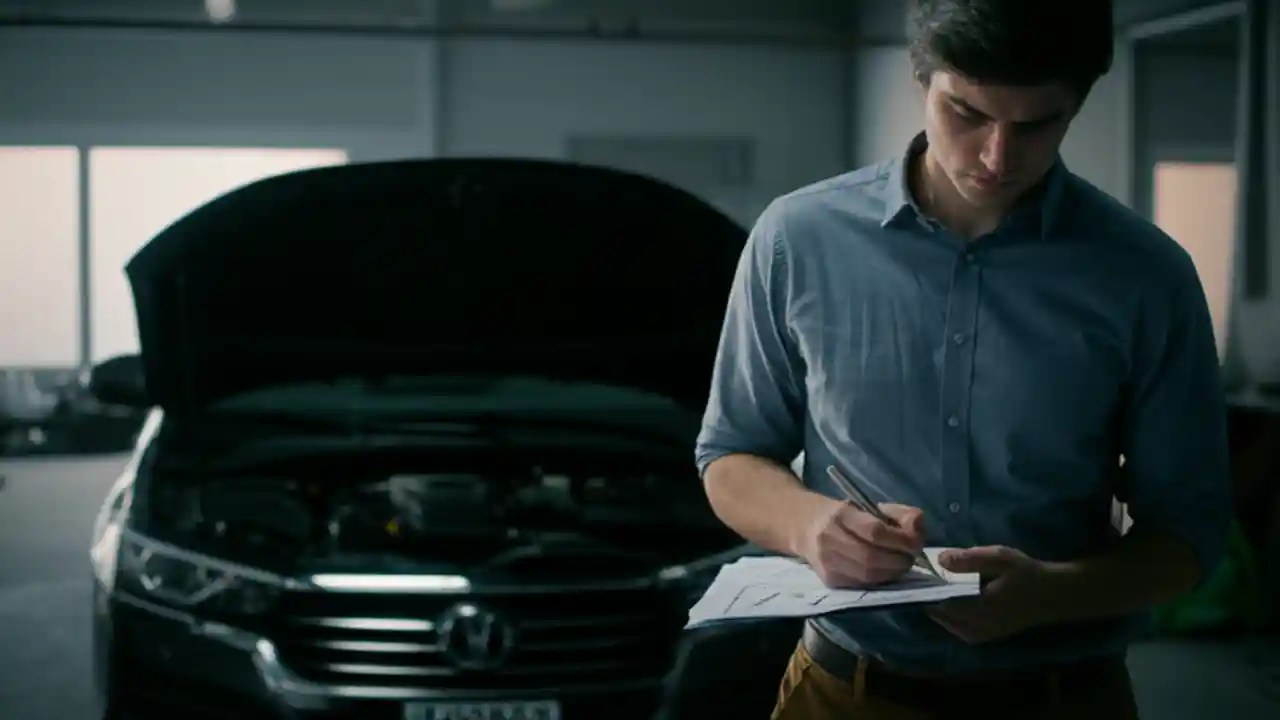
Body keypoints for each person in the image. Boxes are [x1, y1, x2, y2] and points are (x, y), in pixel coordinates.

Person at [693, 1, 1231, 718]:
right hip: (842, 694)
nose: (997, 157)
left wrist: (1054, 594)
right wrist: (808, 526)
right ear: (922, 78)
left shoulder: (1146, 276)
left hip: (1063, 696)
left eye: (1037, 125)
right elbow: (730, 458)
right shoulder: (796, 240)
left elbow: (1189, 534)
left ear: (1078, 104)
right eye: (967, 112)